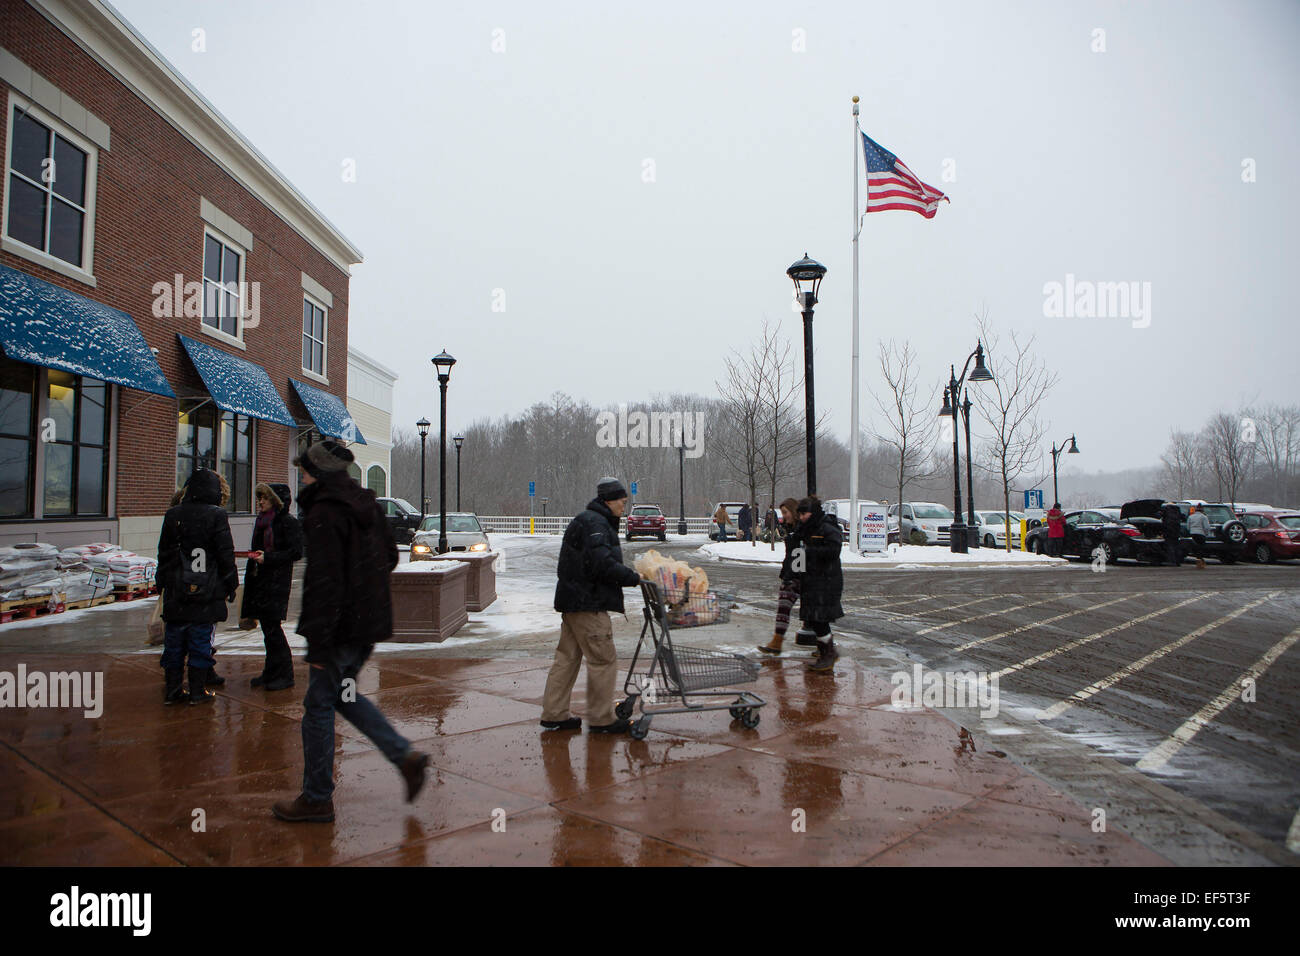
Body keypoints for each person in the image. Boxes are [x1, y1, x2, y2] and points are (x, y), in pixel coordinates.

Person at [272, 440, 428, 823]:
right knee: (343, 694)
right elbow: (390, 556)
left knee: (318, 706)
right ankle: (403, 757)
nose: (302, 475)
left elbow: (324, 582)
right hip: (366, 623)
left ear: (319, 473)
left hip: (338, 627)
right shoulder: (367, 506)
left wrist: (322, 643)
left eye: (305, 470)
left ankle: (316, 798)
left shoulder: (324, 511)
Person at [542, 477, 641, 734]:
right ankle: (602, 719)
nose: (624, 506)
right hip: (589, 604)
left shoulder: (588, 520)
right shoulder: (596, 524)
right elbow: (601, 564)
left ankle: (554, 714)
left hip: (573, 603)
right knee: (603, 660)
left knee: (567, 658)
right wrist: (634, 578)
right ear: (609, 500)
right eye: (622, 501)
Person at [156, 468, 239, 705]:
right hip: (206, 589)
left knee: (174, 641)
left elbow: (165, 552)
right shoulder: (217, 515)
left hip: (177, 588)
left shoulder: (173, 515)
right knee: (201, 640)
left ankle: (172, 691)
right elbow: (225, 553)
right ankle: (196, 691)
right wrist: (231, 583)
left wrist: (161, 581)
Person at [242, 482, 303, 690]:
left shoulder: (287, 523)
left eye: (264, 498)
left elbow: (295, 552)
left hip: (277, 582)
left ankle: (285, 674)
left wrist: (269, 558)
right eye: (259, 498)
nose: (260, 502)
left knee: (273, 629)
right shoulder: (262, 522)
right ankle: (270, 672)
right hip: (260, 580)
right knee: (268, 630)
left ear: (275, 501)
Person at [795, 496, 845, 672]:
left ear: (813, 512)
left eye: (804, 514)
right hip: (811, 580)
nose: (801, 517)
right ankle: (827, 652)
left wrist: (810, 552)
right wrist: (797, 571)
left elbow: (834, 549)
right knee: (814, 618)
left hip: (826, 580)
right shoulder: (805, 528)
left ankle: (828, 654)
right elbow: (798, 552)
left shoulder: (826, 527)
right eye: (799, 514)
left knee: (819, 618)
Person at [758, 497, 803, 656]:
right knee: (783, 608)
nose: (784, 516)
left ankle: (825, 646)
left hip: (797, 575)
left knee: (810, 614)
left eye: (786, 512)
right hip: (792, 573)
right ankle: (777, 641)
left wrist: (793, 574)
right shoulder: (790, 528)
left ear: (794, 511)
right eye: (782, 513)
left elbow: (799, 555)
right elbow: (790, 554)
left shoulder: (800, 530)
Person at [1161, 501, 1184, 568]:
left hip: (1168, 531)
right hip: (1176, 531)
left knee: (1170, 546)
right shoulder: (1177, 510)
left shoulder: (1166, 509)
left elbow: (1159, 516)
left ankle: (1171, 561)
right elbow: (1183, 517)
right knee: (1176, 546)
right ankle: (1178, 561)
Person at [1187, 505, 1210, 569]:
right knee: (1201, 548)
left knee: (1196, 548)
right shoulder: (1204, 517)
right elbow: (1206, 527)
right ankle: (1200, 563)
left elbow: (1188, 527)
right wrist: (1207, 534)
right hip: (1201, 534)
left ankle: (1198, 561)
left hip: (1193, 534)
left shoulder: (1190, 517)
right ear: (1202, 510)